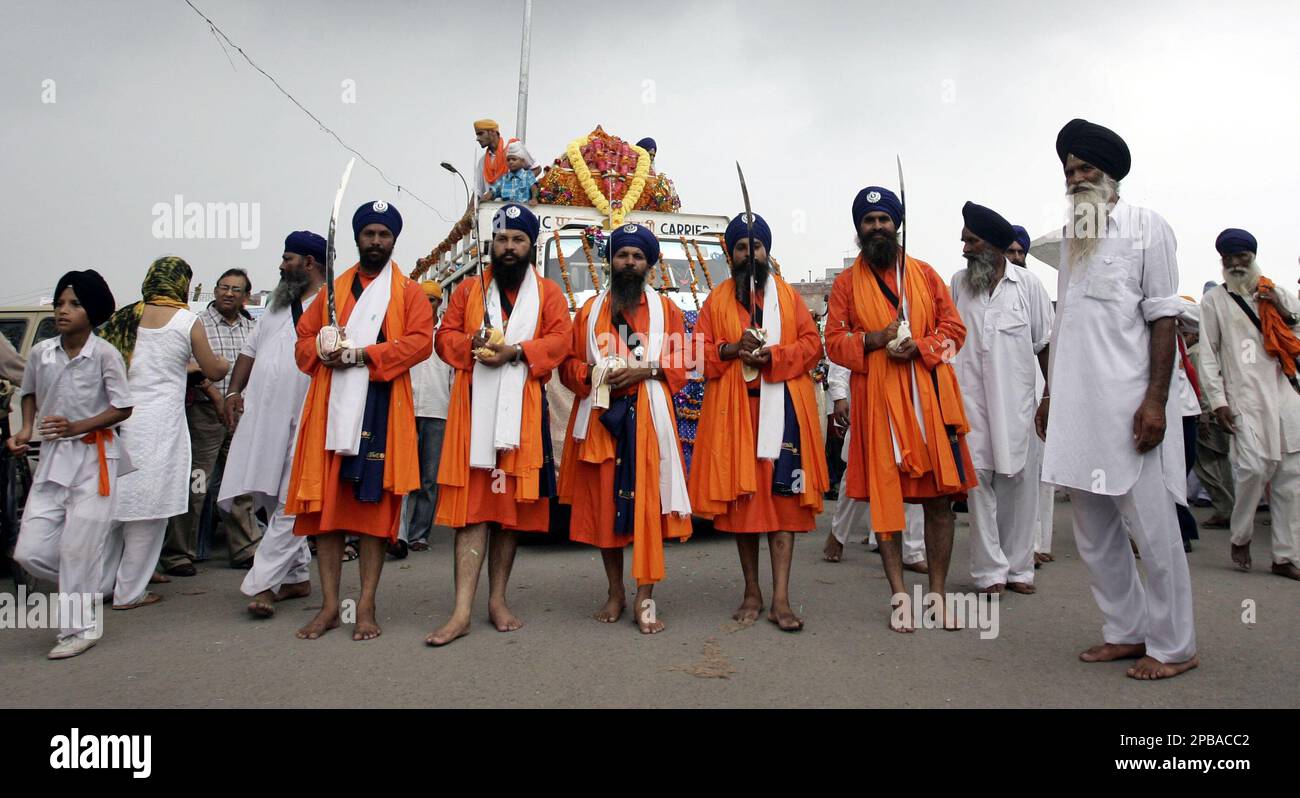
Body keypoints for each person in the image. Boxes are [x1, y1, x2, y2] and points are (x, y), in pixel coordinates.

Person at [1038, 118, 1197, 679]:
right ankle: (1124, 631)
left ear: (1112, 176)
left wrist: (1155, 402)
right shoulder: (1072, 241)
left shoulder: (1147, 227)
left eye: (1087, 169)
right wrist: (1052, 396)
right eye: (1070, 171)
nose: (1077, 178)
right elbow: (1065, 326)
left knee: (1153, 531)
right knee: (1094, 532)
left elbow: (1163, 317)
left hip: (1132, 411)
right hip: (1078, 414)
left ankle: (1174, 645)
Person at [825, 186, 977, 632]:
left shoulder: (926, 275)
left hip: (929, 402)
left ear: (897, 225)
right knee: (886, 503)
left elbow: (955, 331)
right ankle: (898, 596)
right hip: (878, 404)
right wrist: (874, 339)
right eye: (869, 221)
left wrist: (922, 346)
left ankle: (936, 595)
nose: (877, 227)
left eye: (883, 220)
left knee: (939, 503)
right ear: (859, 230)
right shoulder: (844, 285)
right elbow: (833, 342)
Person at [286, 202, 433, 641]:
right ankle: (331, 606)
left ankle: (365, 605)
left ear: (394, 240)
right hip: (330, 411)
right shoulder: (334, 288)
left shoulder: (407, 292)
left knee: (371, 514)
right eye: (368, 233)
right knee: (327, 513)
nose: (375, 241)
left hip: (383, 407)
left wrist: (366, 355)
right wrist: (324, 349)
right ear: (357, 238)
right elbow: (303, 342)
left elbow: (420, 343)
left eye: (383, 235)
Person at [427, 203, 572, 646]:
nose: (509, 248)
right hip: (472, 414)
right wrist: (468, 343)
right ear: (492, 243)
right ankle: (461, 610)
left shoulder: (549, 294)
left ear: (531, 246)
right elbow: (443, 337)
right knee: (473, 512)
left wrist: (519, 351)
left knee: (507, 515)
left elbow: (561, 340)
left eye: (518, 240)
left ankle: (498, 600)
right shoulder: (468, 291)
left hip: (523, 416)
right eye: (503, 240)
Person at [690, 212, 828, 632]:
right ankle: (752, 590)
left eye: (758, 247)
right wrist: (733, 348)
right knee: (744, 507)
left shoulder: (788, 297)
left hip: (783, 411)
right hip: (735, 418)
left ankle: (781, 598)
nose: (751, 254)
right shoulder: (716, 300)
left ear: (768, 251)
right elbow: (698, 354)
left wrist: (775, 355)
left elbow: (812, 346)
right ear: (731, 254)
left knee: (784, 506)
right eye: (742, 248)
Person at [558, 223, 692, 633]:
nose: (629, 262)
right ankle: (615, 591)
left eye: (637, 256)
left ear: (649, 264)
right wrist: (593, 372)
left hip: (649, 418)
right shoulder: (589, 311)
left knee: (646, 507)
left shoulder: (667, 311)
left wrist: (643, 370)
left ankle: (645, 596)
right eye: (622, 255)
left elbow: (685, 364)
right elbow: (567, 367)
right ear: (610, 261)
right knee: (604, 506)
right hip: (601, 420)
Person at [10, 270, 130, 658]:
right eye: (61, 303)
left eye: (74, 304)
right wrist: (26, 429)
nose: (63, 311)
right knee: (29, 550)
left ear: (92, 312)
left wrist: (78, 425)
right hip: (53, 458)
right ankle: (90, 582)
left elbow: (123, 406)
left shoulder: (105, 354)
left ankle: (79, 629)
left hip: (96, 458)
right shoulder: (42, 353)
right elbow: (28, 393)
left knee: (79, 547)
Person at [99, 257, 228, 610]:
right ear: (182, 284)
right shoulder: (187, 321)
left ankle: (101, 585)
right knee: (148, 509)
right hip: (158, 425)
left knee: (115, 508)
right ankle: (130, 592)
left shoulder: (124, 317)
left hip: (117, 421)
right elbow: (214, 369)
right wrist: (227, 364)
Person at [219, 232, 327, 617]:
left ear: (309, 263)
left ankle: (262, 584)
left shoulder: (332, 305)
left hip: (307, 417)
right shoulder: (276, 306)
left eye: (288, 258)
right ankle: (296, 576)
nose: (281, 266)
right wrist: (233, 393)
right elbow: (249, 352)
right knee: (267, 497)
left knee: (290, 500)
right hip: (262, 418)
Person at [950, 202, 1053, 595]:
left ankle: (1019, 568)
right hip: (970, 402)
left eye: (971, 241)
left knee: (1020, 483)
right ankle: (989, 572)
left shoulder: (1028, 286)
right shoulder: (958, 284)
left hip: (1019, 404)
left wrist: (1050, 396)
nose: (964, 248)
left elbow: (1045, 343)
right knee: (978, 485)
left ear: (992, 245)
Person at [1197, 228, 1300, 580]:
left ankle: (1285, 556)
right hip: (1244, 398)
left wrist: (1281, 308)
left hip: (1286, 395)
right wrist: (1218, 401)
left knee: (1290, 479)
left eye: (1243, 257)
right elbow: (1208, 356)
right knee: (1254, 469)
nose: (1237, 264)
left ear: (1253, 258)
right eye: (1230, 259)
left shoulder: (1277, 292)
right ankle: (1241, 535)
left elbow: (1296, 334)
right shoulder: (1214, 302)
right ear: (1222, 262)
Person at [160, 267, 259, 576]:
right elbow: (188, 365)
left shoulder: (251, 327)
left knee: (239, 485)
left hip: (240, 415)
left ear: (245, 297)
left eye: (236, 289)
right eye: (223, 287)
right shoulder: (196, 324)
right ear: (215, 290)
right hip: (204, 413)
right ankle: (179, 554)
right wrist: (216, 397)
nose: (228, 293)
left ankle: (244, 549)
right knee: (196, 483)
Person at [822, 362, 928, 571]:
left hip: (909, 390)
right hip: (870, 391)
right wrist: (839, 394)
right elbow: (844, 347)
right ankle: (839, 533)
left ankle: (912, 549)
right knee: (860, 470)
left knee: (913, 469)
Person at [400, 280, 452, 553]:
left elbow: (454, 376)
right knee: (402, 476)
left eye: (431, 300)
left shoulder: (447, 332)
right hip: (406, 409)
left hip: (437, 410)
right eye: (421, 300)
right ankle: (398, 533)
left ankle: (419, 534)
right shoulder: (405, 329)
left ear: (439, 302)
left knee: (429, 479)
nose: (426, 305)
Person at [1192, 281, 1235, 528]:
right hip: (1220, 413)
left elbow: (1205, 388)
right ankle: (1228, 509)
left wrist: (1206, 416)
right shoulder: (1217, 349)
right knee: (1220, 464)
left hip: (1210, 417)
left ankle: (1226, 510)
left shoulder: (1199, 353)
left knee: (1208, 465)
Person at [473, 119, 538, 197]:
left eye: (480, 134)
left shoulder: (513, 148)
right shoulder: (482, 161)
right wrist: (469, 209)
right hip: (491, 206)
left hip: (515, 204)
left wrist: (517, 184)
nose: (477, 138)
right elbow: (478, 191)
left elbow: (536, 168)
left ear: (492, 132)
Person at [482, 141, 539, 205]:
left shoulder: (528, 175)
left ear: (522, 161)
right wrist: (485, 197)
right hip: (506, 211)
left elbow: (534, 188)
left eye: (514, 159)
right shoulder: (503, 179)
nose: (510, 162)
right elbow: (493, 190)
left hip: (524, 211)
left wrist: (534, 199)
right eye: (508, 160)